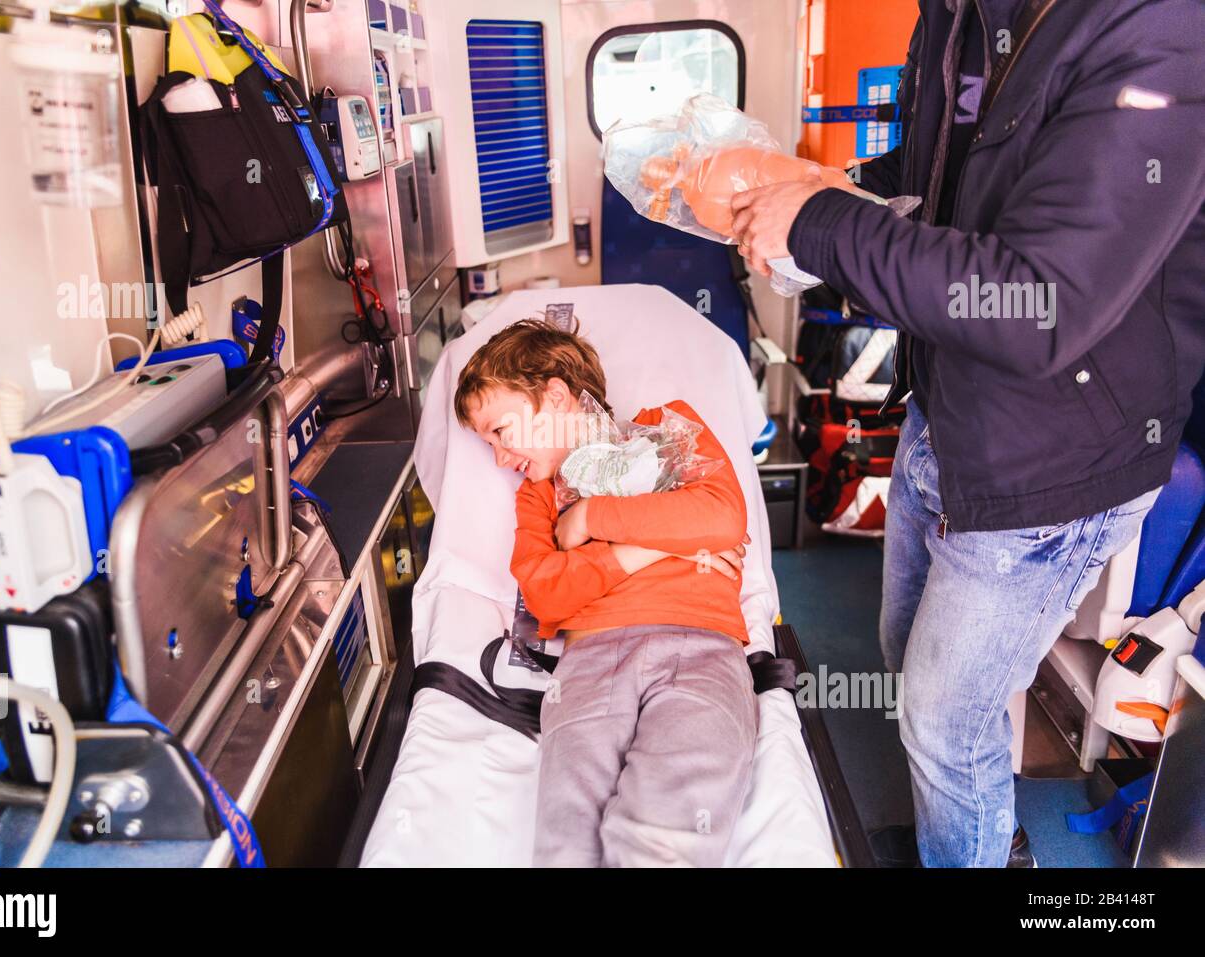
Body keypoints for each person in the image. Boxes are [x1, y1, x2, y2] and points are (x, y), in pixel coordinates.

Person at [728, 0, 1205, 866]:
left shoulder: (1163, 26)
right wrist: (819, 189)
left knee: (945, 719)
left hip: (1056, 453)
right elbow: (943, 187)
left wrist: (818, 224)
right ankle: (986, 835)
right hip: (949, 411)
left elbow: (1038, 303)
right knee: (907, 663)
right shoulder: (958, 11)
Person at [454, 319, 755, 867]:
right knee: (568, 838)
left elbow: (723, 517)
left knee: (664, 835)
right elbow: (545, 595)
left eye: (500, 431)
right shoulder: (538, 498)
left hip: (702, 652)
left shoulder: (669, 431)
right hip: (590, 666)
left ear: (556, 395)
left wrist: (592, 516)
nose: (499, 458)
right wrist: (663, 547)